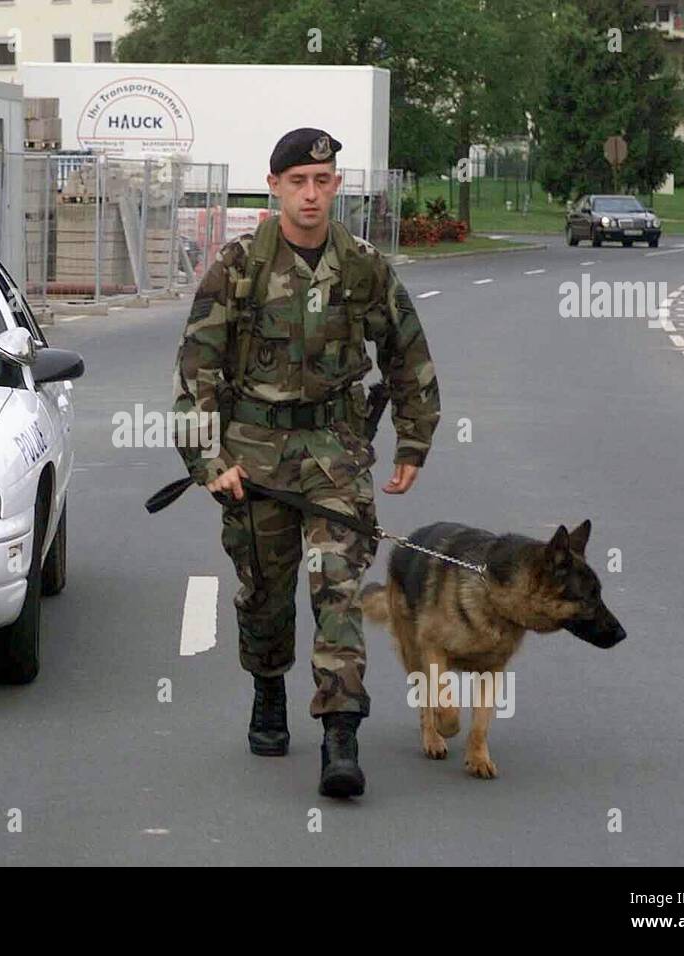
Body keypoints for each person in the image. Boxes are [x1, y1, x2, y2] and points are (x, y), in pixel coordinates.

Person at [171, 128, 441, 798]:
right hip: (254, 456)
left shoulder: (362, 267)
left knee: (337, 587)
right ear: (275, 187)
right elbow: (196, 372)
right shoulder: (238, 266)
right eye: (298, 182)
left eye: (323, 181)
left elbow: (407, 353)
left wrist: (413, 440)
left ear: (338, 186)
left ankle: (340, 734)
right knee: (265, 592)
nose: (311, 194)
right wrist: (209, 459)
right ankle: (268, 688)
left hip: (335, 451)